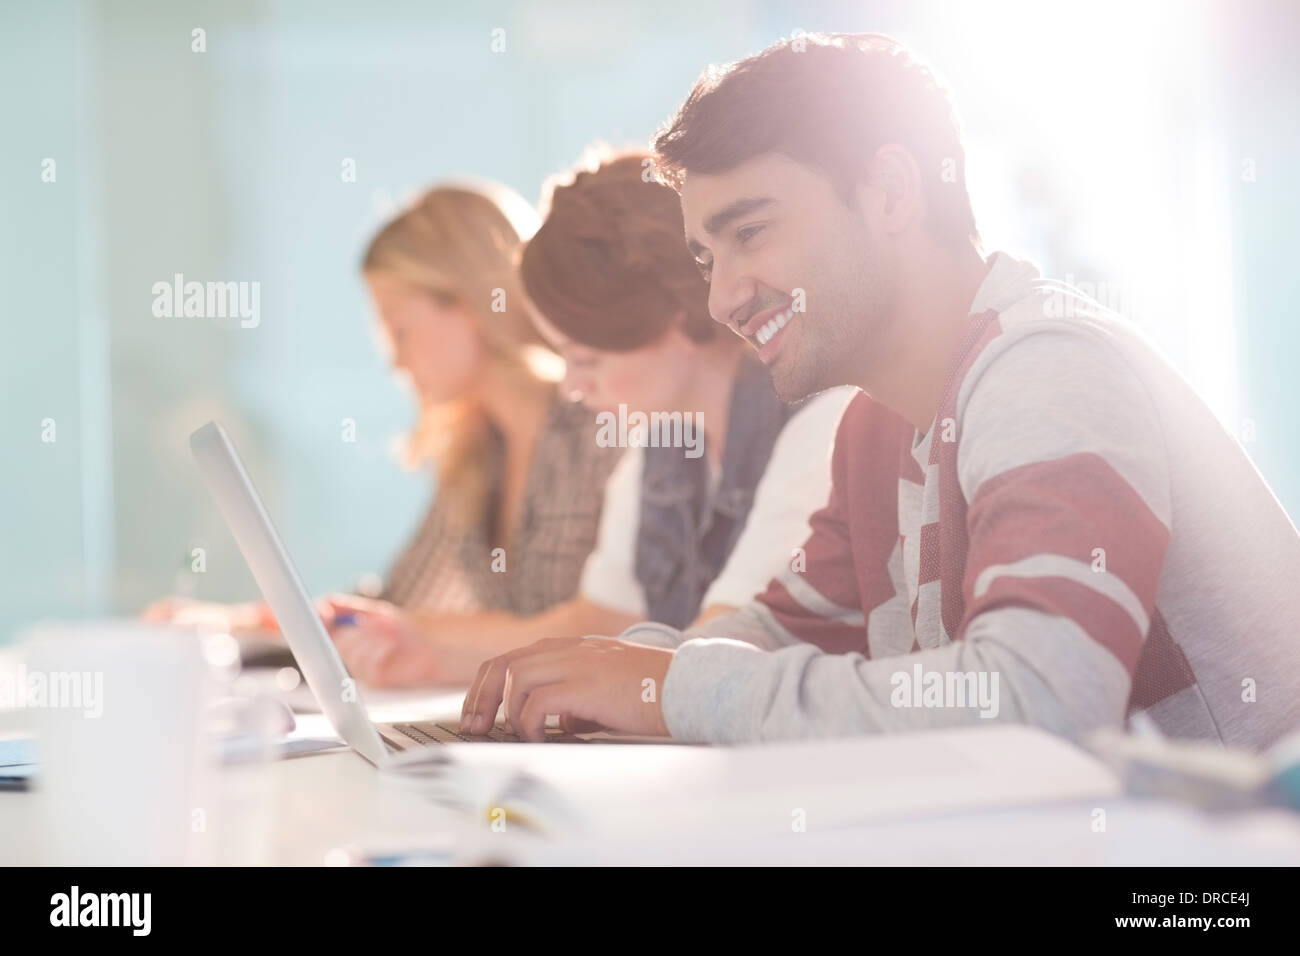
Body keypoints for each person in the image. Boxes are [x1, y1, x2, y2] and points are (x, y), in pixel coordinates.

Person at [459, 33, 1300, 751]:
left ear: (892, 192)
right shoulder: (876, 424)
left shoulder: (1048, 366)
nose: (721, 299)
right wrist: (613, 673)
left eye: (751, 232)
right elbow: (771, 635)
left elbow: (1041, 703)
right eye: (707, 260)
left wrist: (667, 692)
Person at [322, 150, 852, 686]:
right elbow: (599, 619)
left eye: (588, 360)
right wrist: (434, 658)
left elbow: (719, 645)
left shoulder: (818, 423)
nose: (572, 389)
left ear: (675, 323)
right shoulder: (659, 446)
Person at [146, 182, 620, 687]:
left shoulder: (601, 426)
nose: (394, 360)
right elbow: (397, 606)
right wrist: (236, 624)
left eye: (399, 330)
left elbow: (605, 627)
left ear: (469, 305)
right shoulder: (480, 454)